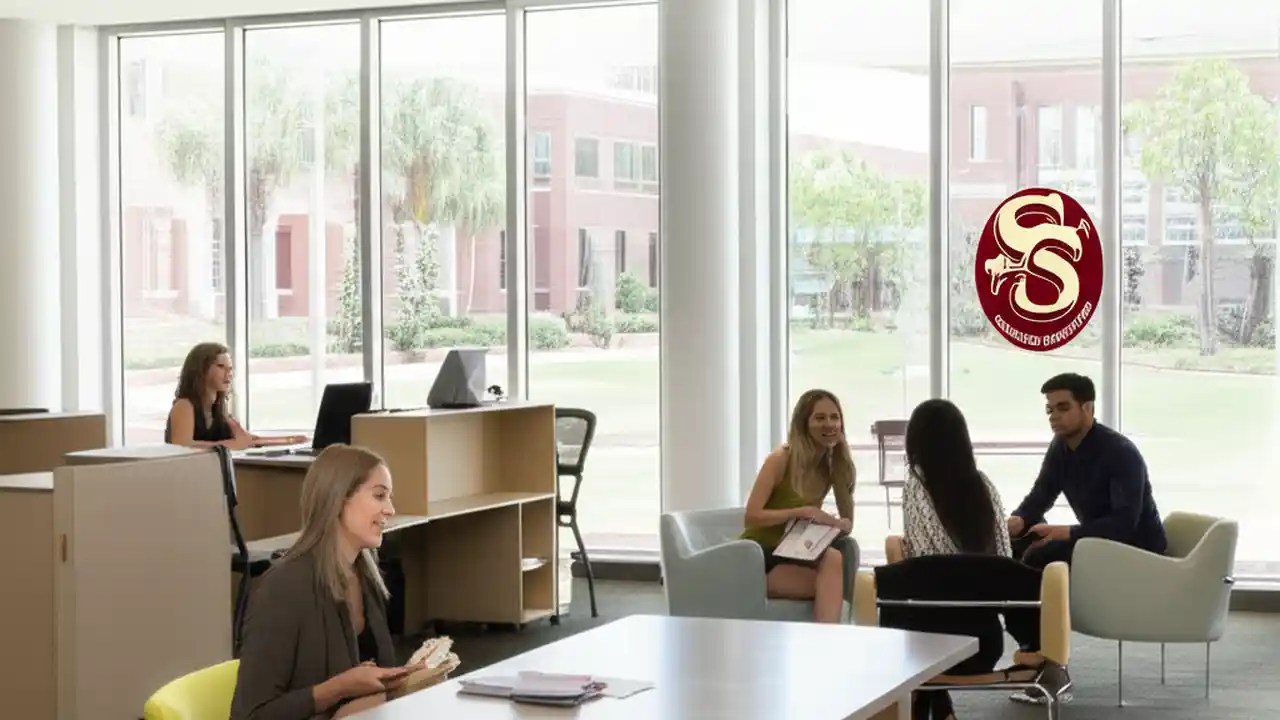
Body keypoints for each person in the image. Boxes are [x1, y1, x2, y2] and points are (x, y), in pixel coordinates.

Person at [231, 444, 420, 720]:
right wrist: (340, 687)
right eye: (379, 496)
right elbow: (249, 716)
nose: (390, 509)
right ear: (338, 499)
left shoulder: (366, 577)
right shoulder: (283, 588)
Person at [883, 399, 1038, 720]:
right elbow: (1004, 563)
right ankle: (938, 708)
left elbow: (930, 568)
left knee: (911, 600)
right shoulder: (983, 485)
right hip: (984, 644)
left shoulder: (916, 485)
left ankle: (933, 706)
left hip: (932, 644)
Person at [1009, 372, 1167, 570]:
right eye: (1050, 410)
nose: (1054, 416)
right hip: (1097, 542)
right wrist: (1020, 520)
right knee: (1021, 541)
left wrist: (1067, 532)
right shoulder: (1060, 446)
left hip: (1137, 549)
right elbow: (1041, 495)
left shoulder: (1121, 452)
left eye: (1063, 408)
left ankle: (1049, 601)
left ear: (1087, 408)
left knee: (1042, 555)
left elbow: (1123, 524)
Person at [741, 388, 856, 624]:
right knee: (832, 585)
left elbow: (848, 523)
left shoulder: (829, 466)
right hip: (759, 557)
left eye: (835, 417)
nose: (830, 424)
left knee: (833, 561)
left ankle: (823, 642)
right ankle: (826, 643)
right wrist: (802, 512)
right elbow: (751, 517)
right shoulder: (780, 459)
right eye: (820, 418)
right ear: (804, 423)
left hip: (795, 552)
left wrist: (841, 465)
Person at [164, 342, 306, 449]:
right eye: (220, 367)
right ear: (201, 370)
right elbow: (182, 445)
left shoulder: (219, 410)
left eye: (230, 368)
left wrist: (292, 440)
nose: (228, 374)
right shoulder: (184, 405)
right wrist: (231, 445)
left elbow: (249, 440)